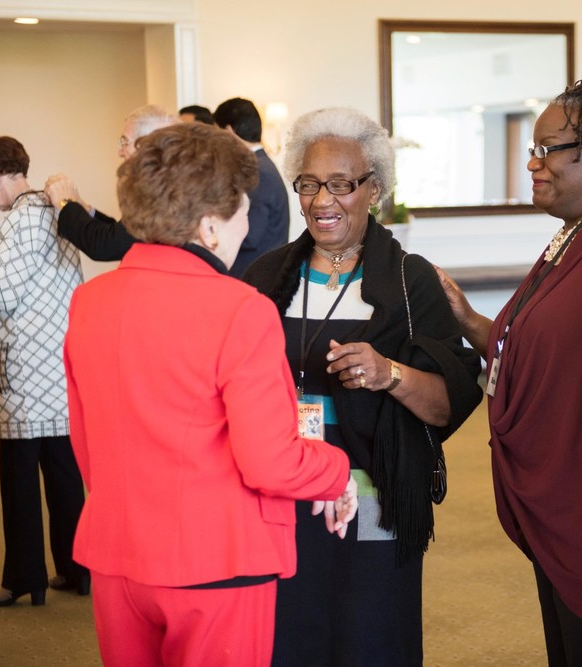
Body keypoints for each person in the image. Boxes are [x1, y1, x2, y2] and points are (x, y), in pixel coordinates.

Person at [62, 122, 358, 666]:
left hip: (116, 553)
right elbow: (270, 462)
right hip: (216, 561)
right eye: (242, 211)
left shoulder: (90, 300)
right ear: (209, 228)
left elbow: (86, 441)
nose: (250, 225)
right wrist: (336, 471)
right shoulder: (239, 310)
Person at [243, 107, 482, 666]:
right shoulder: (266, 277)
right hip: (285, 492)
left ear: (374, 189)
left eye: (341, 184)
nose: (322, 200)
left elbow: (450, 402)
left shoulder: (408, 281)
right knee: (288, 631)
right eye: (308, 184)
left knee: (370, 635)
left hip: (375, 497)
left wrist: (389, 373)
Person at [436, 67, 582, 666]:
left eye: (549, 149)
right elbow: (535, 351)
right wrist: (468, 318)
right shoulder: (574, 233)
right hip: (555, 491)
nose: (533, 162)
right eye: (533, 148)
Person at [0, 136, 88, 606]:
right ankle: (77, 570)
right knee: (62, 473)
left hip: (26, 374)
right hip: (54, 367)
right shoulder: (52, 210)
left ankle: (23, 578)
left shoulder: (23, 219)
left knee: (18, 481)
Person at [43, 104, 177, 261]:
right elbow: (119, 234)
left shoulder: (164, 190)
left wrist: (65, 203)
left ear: (145, 146)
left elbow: (106, 245)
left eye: (125, 142)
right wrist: (81, 205)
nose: (120, 152)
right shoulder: (167, 182)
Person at [214, 97, 291, 277]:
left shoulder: (258, 171)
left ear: (228, 131)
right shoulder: (259, 165)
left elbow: (250, 234)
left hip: (255, 274)